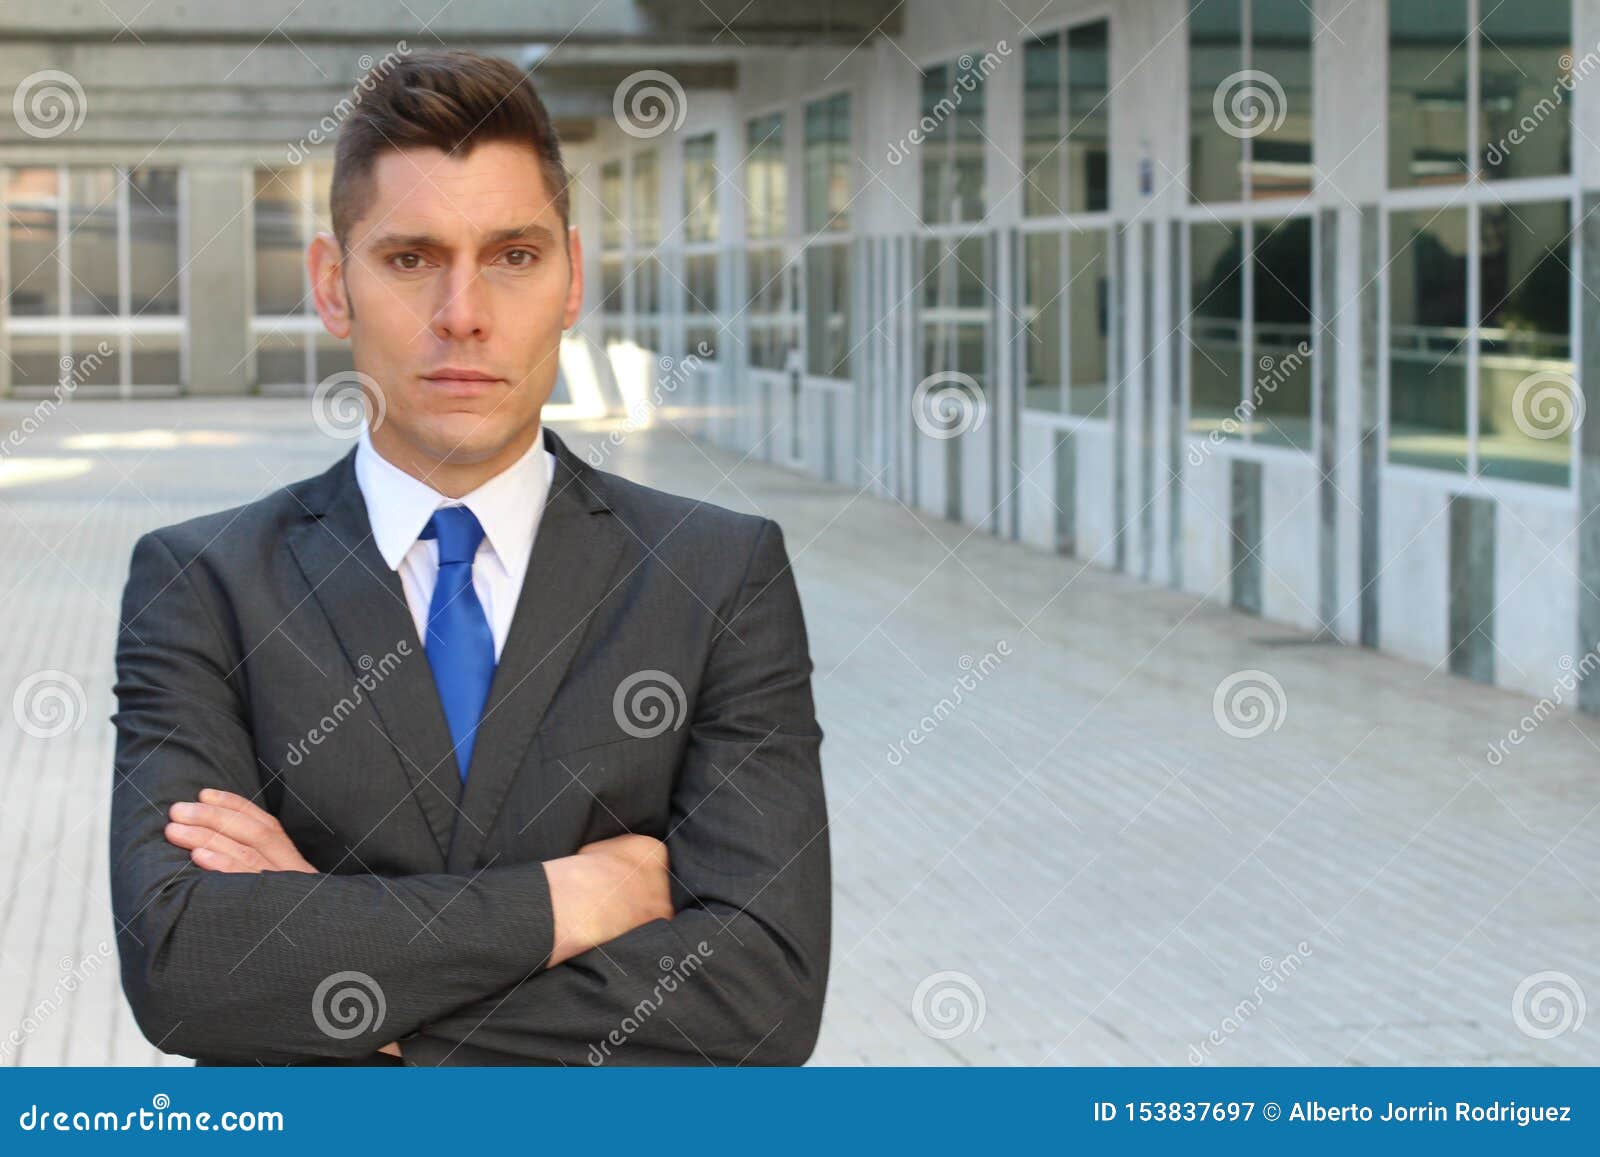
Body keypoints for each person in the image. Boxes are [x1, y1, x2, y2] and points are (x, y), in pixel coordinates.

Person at [108, 50, 830, 1066]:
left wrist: (358, 990)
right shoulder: (206, 585)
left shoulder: (715, 576)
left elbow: (761, 991)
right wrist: (570, 899)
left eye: (513, 255)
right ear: (332, 283)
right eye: (409, 258)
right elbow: (188, 969)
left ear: (572, 277)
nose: (463, 312)